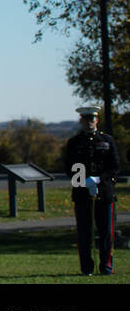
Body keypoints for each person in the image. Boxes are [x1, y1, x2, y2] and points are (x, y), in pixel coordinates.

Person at [64, 105, 119, 275]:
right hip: (82, 193)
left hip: (105, 193)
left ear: (97, 120)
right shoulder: (74, 143)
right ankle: (86, 268)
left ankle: (106, 267)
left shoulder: (107, 141)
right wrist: (85, 181)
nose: (89, 122)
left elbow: (114, 167)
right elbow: (70, 167)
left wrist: (98, 180)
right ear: (81, 121)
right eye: (85, 119)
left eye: (92, 118)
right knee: (84, 233)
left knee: (106, 233)